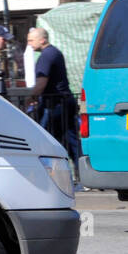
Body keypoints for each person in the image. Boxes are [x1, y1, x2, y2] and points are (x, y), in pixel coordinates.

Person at [26, 26, 81, 165]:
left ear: (42, 40)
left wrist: (31, 97)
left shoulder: (46, 56)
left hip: (55, 104)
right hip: (65, 101)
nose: (29, 43)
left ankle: (50, 173)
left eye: (31, 40)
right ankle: (83, 174)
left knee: (45, 140)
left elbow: (41, 83)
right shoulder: (55, 52)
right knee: (70, 140)